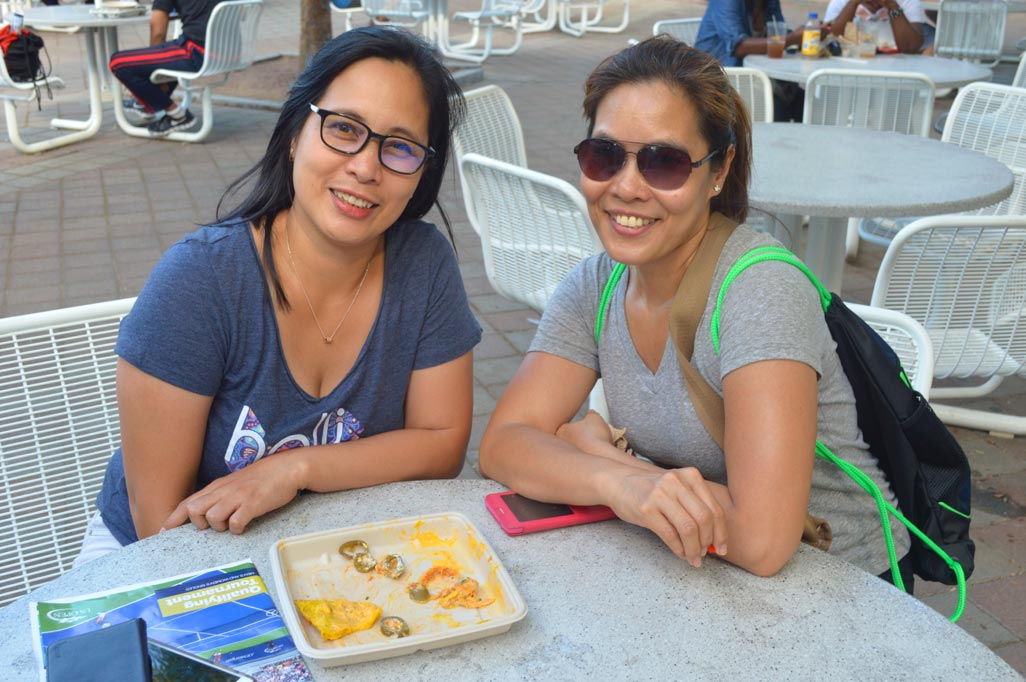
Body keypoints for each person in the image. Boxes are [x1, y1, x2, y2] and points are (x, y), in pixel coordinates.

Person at [479, 37, 913, 587]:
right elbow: (503, 445)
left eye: (665, 162)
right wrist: (623, 485)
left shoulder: (758, 287)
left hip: (843, 582)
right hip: (703, 569)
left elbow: (762, 541)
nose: (627, 187)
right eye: (604, 155)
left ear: (718, 170)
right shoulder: (595, 283)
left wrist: (601, 457)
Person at [76, 27, 480, 563]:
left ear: (421, 171)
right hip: (152, 561)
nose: (364, 167)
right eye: (343, 128)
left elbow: (441, 442)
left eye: (399, 147)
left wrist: (295, 468)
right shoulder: (201, 279)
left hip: (321, 552)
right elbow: (160, 533)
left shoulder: (423, 264)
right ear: (294, 132)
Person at [109, 0, 225, 136]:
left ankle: (178, 116)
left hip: (200, 53)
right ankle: (144, 102)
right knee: (172, 50)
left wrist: (158, 76)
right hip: (229, 52)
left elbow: (157, 31)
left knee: (118, 62)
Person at [695, 0, 817, 121]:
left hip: (756, 76)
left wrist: (809, 36)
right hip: (720, 77)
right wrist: (792, 39)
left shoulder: (770, 2)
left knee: (808, 103)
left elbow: (779, 30)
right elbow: (739, 46)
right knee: (777, 105)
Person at [824, 0, 928, 53]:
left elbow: (910, 47)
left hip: (896, 73)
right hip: (850, 71)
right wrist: (854, 3)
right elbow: (832, 40)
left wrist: (892, 6)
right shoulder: (841, 2)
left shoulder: (908, 2)